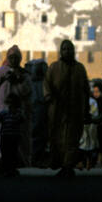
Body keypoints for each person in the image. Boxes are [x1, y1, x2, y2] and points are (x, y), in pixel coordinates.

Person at [44, 39, 89, 179]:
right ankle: (62, 165)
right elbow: (47, 84)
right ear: (61, 51)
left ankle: (68, 166)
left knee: (72, 139)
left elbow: (85, 89)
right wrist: (49, 97)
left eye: (70, 49)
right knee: (57, 138)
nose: (67, 51)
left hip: (75, 110)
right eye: (65, 49)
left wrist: (86, 107)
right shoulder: (54, 67)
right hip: (58, 110)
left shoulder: (80, 68)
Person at [0, 45, 31, 176]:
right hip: (2, 110)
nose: (13, 60)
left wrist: (19, 81)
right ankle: (3, 163)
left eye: (16, 57)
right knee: (1, 139)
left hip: (17, 113)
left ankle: (16, 164)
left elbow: (28, 92)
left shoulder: (24, 75)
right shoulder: (0, 72)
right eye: (11, 57)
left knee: (17, 140)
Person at [27, 59, 49, 168]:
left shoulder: (30, 81)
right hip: (38, 111)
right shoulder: (42, 82)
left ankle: (35, 159)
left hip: (38, 111)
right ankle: (36, 159)